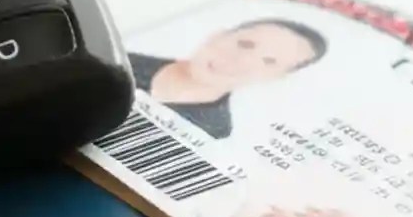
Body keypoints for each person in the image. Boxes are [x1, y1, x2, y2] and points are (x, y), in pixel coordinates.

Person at [130, 19, 328, 139]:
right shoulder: (121, 60)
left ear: (277, 77)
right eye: (245, 44)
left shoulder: (212, 132)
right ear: (217, 35)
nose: (241, 60)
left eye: (269, 61)